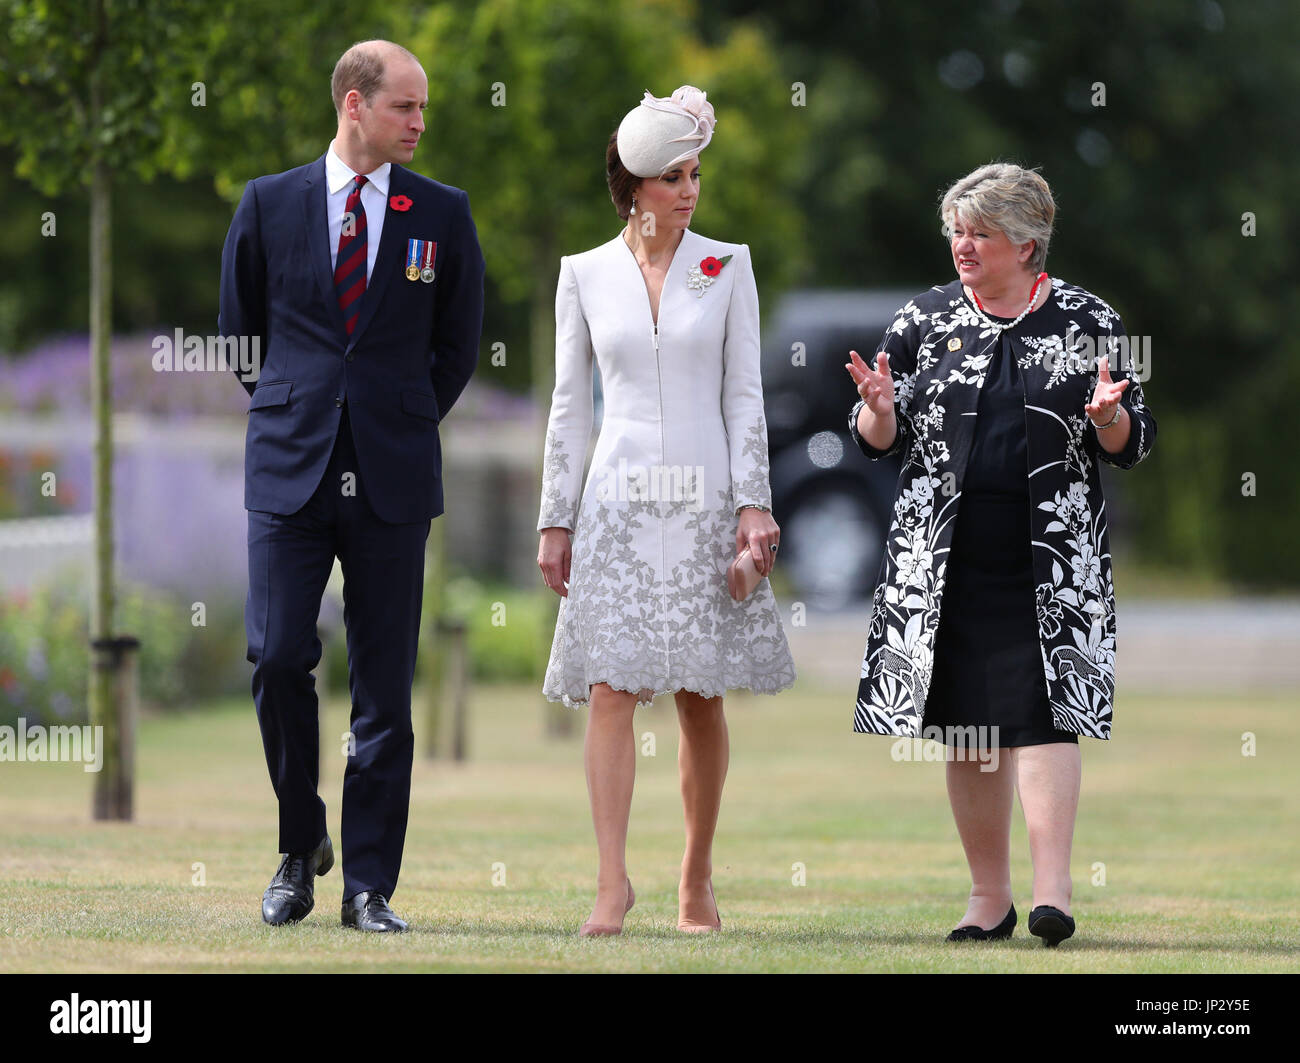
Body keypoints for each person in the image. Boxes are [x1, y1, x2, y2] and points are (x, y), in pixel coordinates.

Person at [844, 162, 1155, 947]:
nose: (963, 245)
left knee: (1048, 714)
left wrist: (1108, 417)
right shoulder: (922, 319)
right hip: (947, 557)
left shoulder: (1093, 320)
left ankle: (1054, 888)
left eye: (980, 232)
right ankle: (989, 896)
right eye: (957, 230)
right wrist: (878, 412)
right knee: (970, 727)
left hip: (1049, 555)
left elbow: (1135, 441)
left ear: (1027, 242)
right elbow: (879, 438)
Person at [219, 40, 485, 932]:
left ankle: (367, 886)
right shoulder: (267, 204)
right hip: (288, 473)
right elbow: (240, 342)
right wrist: (305, 410)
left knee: (383, 687)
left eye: (423, 109)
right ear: (353, 105)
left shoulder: (441, 214)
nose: (419, 123)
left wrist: (399, 416)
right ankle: (303, 844)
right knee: (278, 656)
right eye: (405, 106)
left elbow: (457, 346)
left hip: (392, 478)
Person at [537, 86, 796, 937]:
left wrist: (753, 503)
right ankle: (611, 882)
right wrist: (555, 517)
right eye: (672, 176)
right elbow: (569, 408)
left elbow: (745, 396)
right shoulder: (583, 274)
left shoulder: (729, 266)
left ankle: (695, 877)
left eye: (695, 173)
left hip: (706, 500)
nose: (689, 189)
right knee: (612, 687)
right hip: (613, 504)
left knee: (699, 693)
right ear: (634, 186)